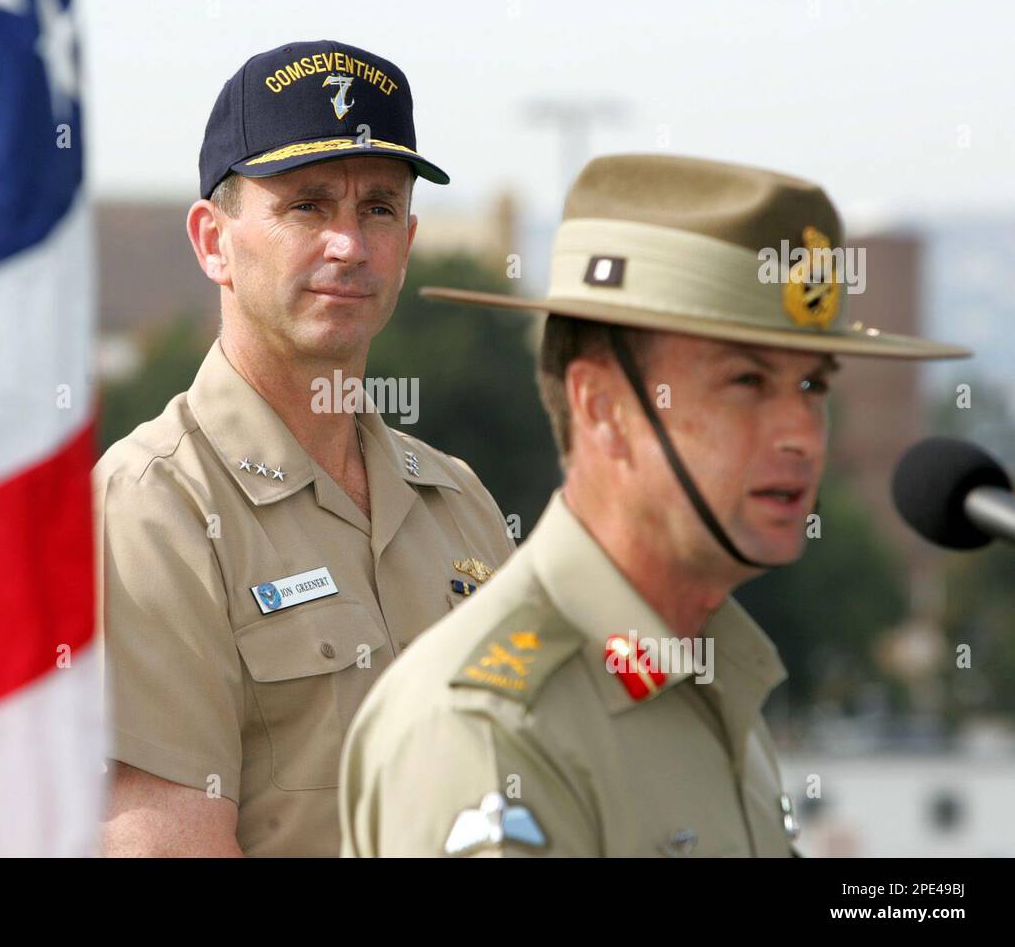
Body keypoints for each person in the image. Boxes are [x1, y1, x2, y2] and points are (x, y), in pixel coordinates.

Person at [338, 153, 971, 857]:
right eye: (747, 380)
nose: (801, 436)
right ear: (602, 407)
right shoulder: (491, 730)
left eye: (813, 386)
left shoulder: (708, 679)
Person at [95, 40, 515, 857]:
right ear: (213, 241)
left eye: (379, 209)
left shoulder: (461, 504)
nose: (349, 246)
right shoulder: (155, 509)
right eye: (307, 206)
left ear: (408, 241)